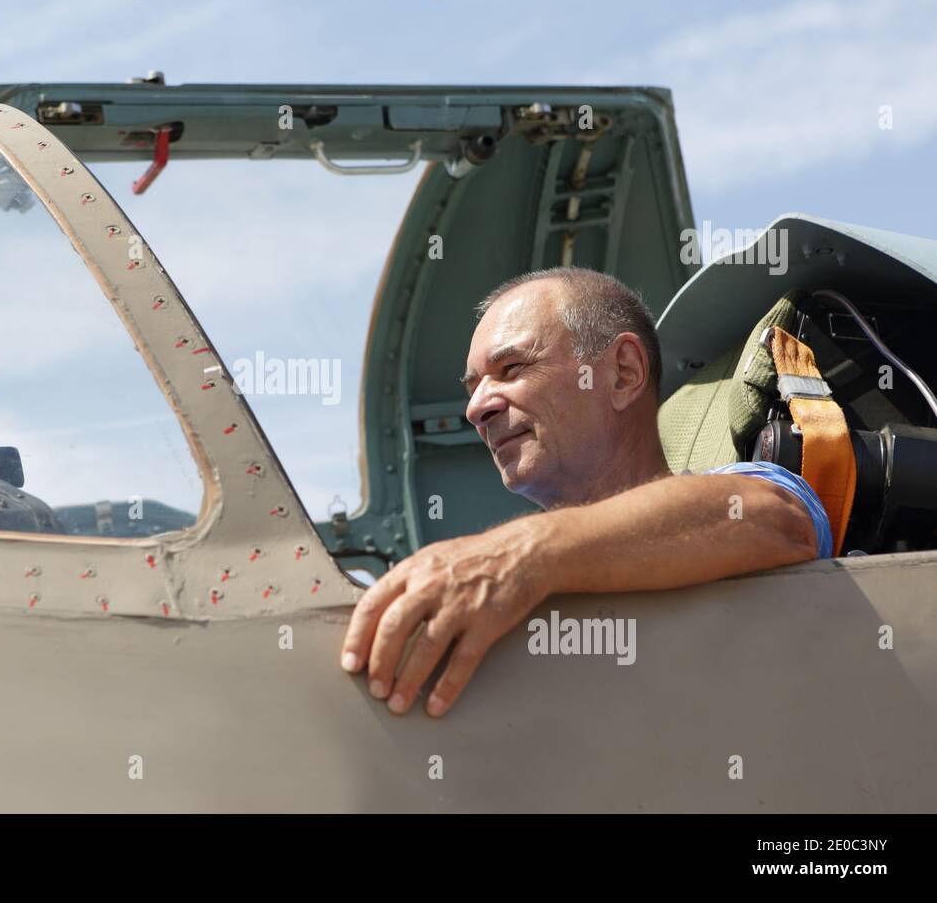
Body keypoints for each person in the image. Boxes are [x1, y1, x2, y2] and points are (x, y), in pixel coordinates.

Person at [340, 267, 831, 717]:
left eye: (511, 369)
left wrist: (519, 557)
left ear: (623, 373)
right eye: (473, 387)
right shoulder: (490, 593)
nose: (476, 408)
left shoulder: (743, 497)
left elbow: (780, 520)